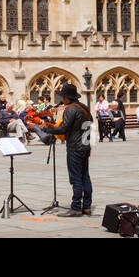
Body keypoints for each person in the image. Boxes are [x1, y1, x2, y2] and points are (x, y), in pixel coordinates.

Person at [39, 83, 92, 217]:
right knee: (85, 176)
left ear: (67, 97)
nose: (61, 99)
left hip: (74, 147)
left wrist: (45, 127)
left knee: (76, 178)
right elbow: (89, 125)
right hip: (85, 146)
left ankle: (75, 208)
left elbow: (63, 129)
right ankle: (86, 206)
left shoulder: (70, 110)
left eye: (62, 96)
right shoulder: (84, 108)